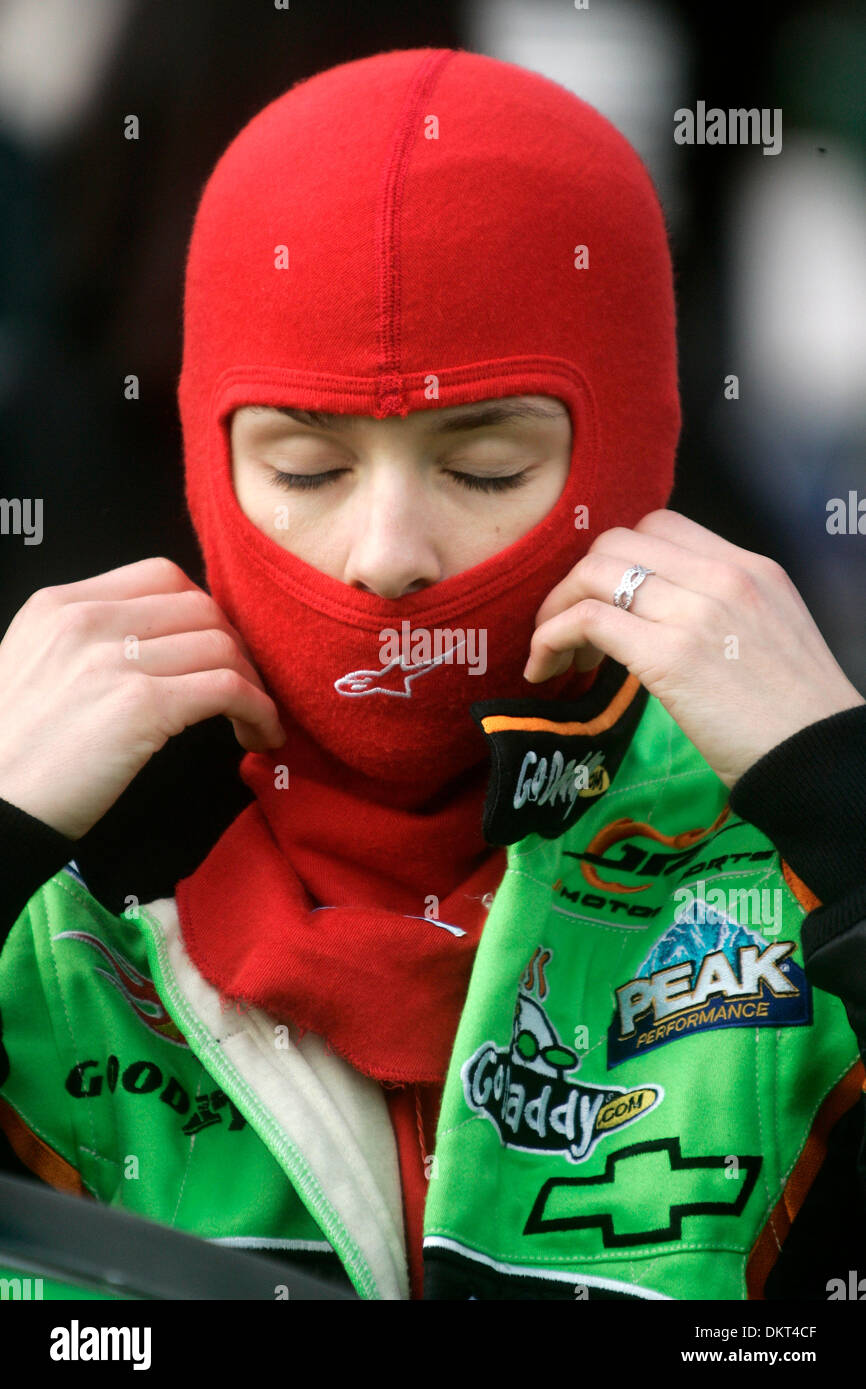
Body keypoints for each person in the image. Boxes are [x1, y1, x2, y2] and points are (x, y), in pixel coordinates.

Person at [0, 47, 864, 1302]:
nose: (386, 556)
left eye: (486, 469)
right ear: (203, 458)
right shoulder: (59, 859)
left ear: (630, 449)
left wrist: (841, 801)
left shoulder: (780, 855)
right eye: (304, 468)